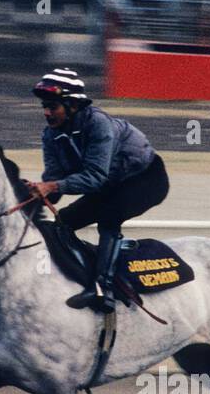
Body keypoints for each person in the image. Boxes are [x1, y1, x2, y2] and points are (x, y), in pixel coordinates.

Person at [26, 68, 170, 311]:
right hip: (109, 185)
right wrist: (35, 192)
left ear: (72, 105)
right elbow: (55, 183)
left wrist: (51, 186)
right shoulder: (50, 135)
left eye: (52, 106)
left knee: (109, 217)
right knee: (62, 223)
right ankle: (79, 275)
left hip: (146, 179)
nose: (46, 113)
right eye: (44, 106)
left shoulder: (99, 125)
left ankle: (105, 288)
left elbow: (93, 178)